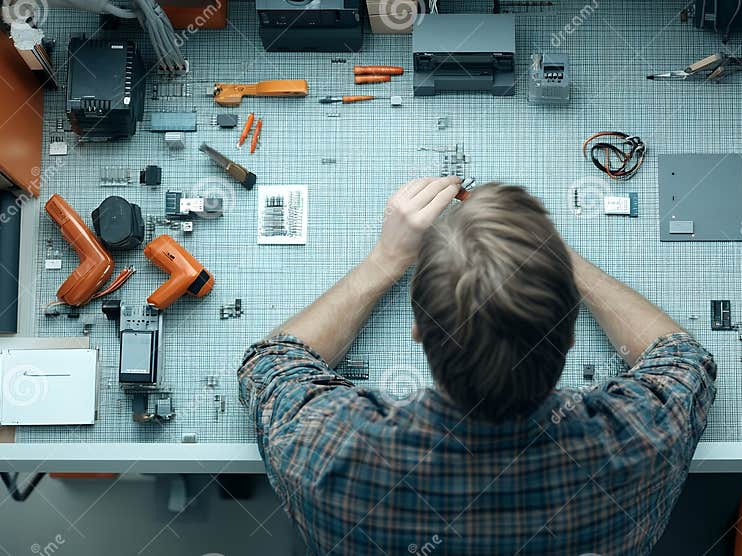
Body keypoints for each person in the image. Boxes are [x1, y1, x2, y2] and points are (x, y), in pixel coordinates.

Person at [238, 176, 716, 554]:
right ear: (568, 335)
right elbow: (681, 358)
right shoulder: (645, 441)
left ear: (418, 332)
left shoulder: (323, 458)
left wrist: (384, 261)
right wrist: (552, 261)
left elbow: (272, 363)